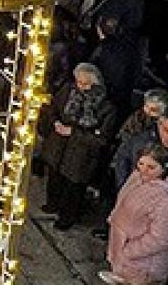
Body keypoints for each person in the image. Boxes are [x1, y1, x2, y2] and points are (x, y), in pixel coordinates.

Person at [40, 63, 118, 229]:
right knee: (55, 177)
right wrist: (55, 122)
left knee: (73, 187)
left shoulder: (106, 107)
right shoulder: (68, 91)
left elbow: (102, 139)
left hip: (81, 155)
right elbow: (54, 107)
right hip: (58, 146)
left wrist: (73, 133)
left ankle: (67, 217)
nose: (81, 87)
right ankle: (53, 204)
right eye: (79, 82)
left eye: (86, 84)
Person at [103, 144, 168, 285]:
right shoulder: (138, 177)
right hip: (125, 256)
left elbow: (160, 239)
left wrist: (127, 252)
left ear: (165, 169)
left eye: (151, 167)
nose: (144, 170)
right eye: (141, 164)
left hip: (143, 265)